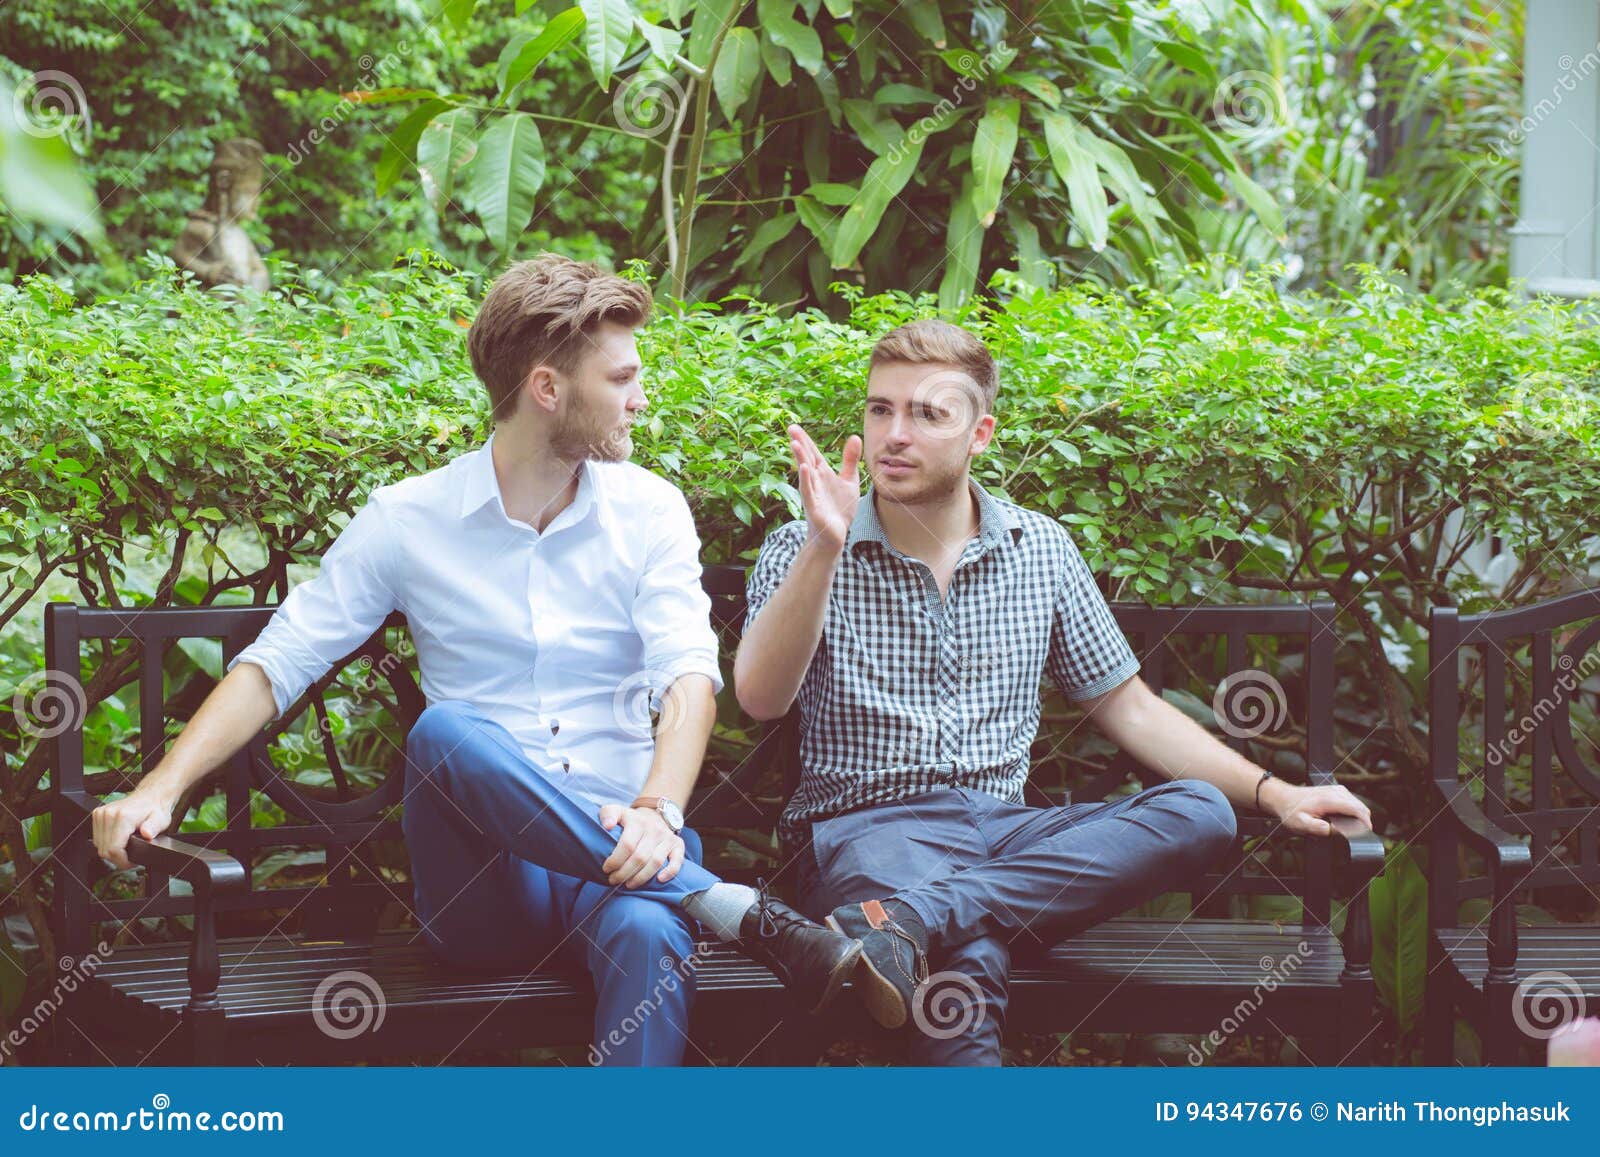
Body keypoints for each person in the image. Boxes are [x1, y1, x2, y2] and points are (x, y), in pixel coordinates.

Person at [92, 254, 860, 1067]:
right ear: (547, 389)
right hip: (485, 892)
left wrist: (660, 812)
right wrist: (159, 785)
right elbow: (280, 659)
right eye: (623, 376)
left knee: (645, 932)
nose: (641, 397)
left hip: (628, 860)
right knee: (448, 732)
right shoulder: (410, 518)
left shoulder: (650, 510)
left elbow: (688, 675)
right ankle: (719, 900)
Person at [732, 319, 1373, 1065]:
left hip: (1003, 831)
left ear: (981, 433)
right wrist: (825, 547)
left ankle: (907, 918)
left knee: (1200, 810)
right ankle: (912, 915)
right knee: (959, 979)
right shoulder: (805, 543)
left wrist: (1276, 794)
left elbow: (1127, 705)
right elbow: (760, 699)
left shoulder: (1038, 548)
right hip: (872, 829)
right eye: (880, 409)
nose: (894, 434)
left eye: (927, 413)